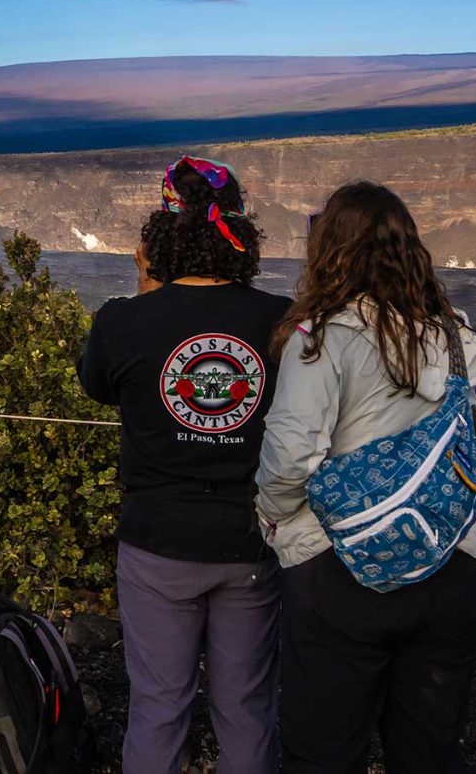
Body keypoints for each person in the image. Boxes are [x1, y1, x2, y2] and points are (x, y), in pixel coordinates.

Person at [257, 181, 476, 774]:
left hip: (341, 565)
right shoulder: (461, 340)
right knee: (428, 749)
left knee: (324, 750)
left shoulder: (322, 338)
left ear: (330, 249)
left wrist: (275, 518)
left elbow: (291, 452)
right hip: (452, 558)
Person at [77, 156, 289, 774]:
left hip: (157, 543)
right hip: (251, 541)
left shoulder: (122, 322)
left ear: (159, 237)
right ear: (240, 236)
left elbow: (101, 386)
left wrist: (150, 290)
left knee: (159, 704)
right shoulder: (282, 321)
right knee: (248, 707)